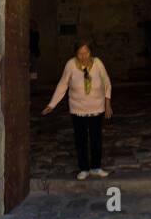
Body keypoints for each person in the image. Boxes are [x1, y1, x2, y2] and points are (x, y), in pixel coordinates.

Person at [42, 41, 112, 180]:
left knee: (96, 139)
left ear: (91, 52)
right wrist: (52, 104)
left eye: (86, 52)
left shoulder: (97, 63)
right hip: (77, 109)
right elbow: (63, 84)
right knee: (81, 140)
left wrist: (107, 103)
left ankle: (96, 167)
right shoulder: (71, 64)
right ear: (75, 53)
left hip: (96, 108)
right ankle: (84, 168)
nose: (83, 56)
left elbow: (107, 83)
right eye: (80, 53)